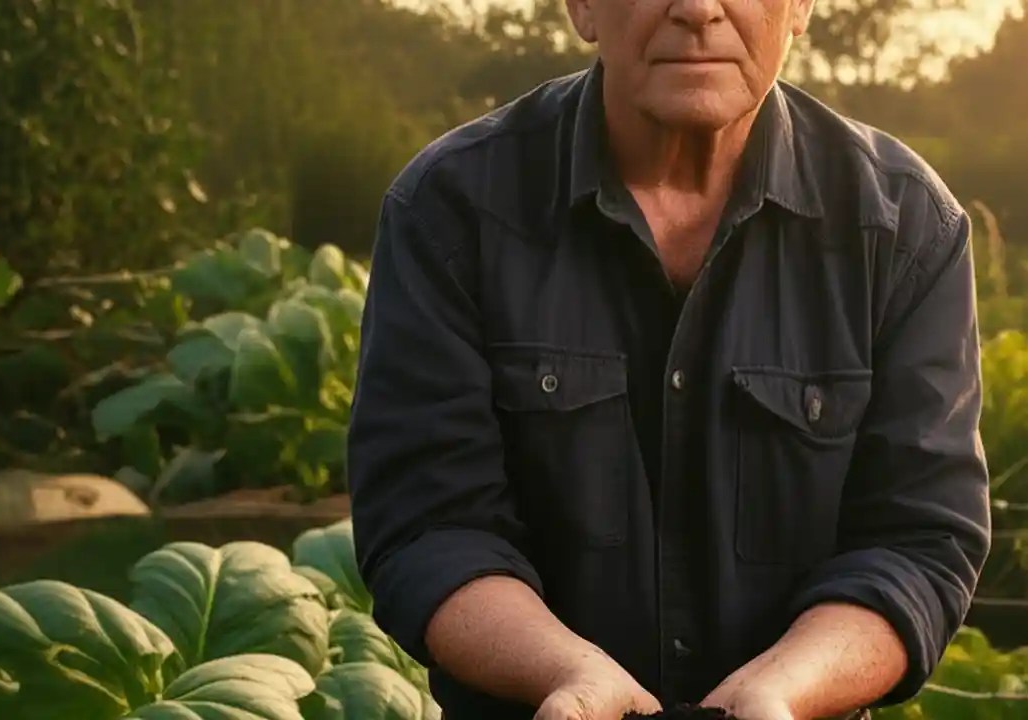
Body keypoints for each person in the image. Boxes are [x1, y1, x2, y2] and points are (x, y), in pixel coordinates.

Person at [347, 0, 992, 717]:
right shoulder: (449, 210)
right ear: (582, 8)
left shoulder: (904, 228)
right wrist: (567, 675)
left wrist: (783, 689)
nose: (697, 10)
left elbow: (920, 539)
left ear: (801, 7)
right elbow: (428, 526)